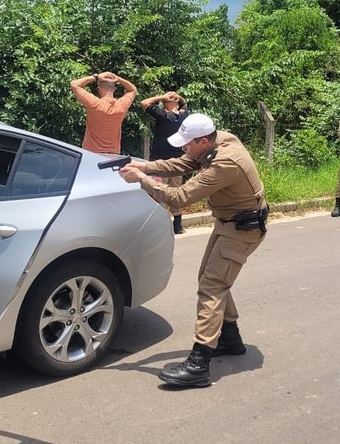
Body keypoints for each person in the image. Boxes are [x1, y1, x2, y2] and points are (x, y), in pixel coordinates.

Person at [118, 113, 267, 388]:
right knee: (212, 280)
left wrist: (141, 178)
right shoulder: (216, 141)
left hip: (242, 229)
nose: (183, 147)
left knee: (212, 286)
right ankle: (230, 338)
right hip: (230, 224)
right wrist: (145, 165)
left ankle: (199, 365)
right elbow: (182, 163)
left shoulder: (225, 161)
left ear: (201, 140)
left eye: (187, 143)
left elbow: (180, 197)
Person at [141, 90, 190, 234]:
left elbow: (184, 103)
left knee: (174, 192)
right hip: (162, 162)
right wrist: (164, 97)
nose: (174, 99)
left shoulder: (182, 115)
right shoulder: (163, 115)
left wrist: (173, 96)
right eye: (171, 98)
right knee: (159, 193)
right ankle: (164, 224)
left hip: (176, 162)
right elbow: (144, 103)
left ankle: (177, 225)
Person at [70, 71, 137, 154]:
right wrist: (117, 78)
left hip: (92, 153)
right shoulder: (121, 106)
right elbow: (133, 90)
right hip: (113, 155)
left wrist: (96, 76)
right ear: (114, 89)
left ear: (99, 89)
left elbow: (74, 84)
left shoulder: (94, 104)